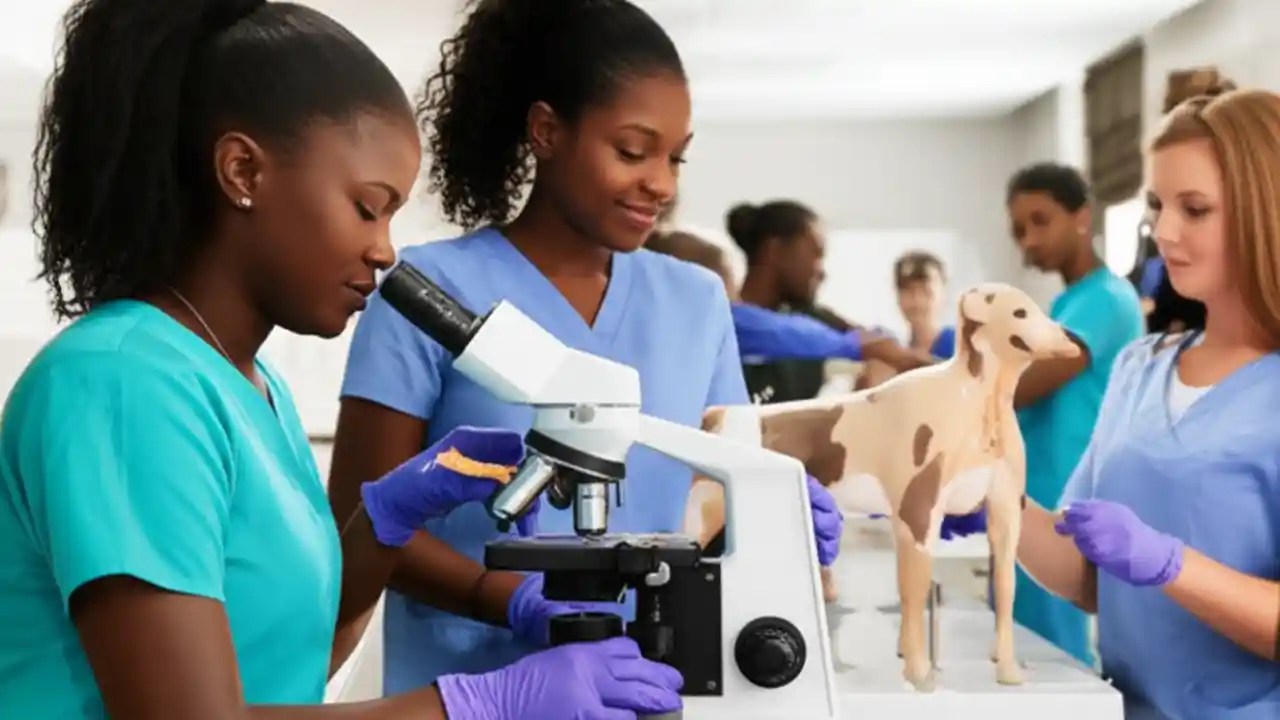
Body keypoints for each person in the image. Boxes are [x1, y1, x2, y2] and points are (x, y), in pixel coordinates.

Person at [0, 1, 684, 718]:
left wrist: (384, 524)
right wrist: (479, 704)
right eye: (368, 207)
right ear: (242, 171)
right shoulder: (125, 383)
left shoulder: (250, 387)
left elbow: (288, 659)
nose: (385, 249)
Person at [328, 0, 843, 696]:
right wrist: (503, 598)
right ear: (546, 131)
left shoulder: (695, 300)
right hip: (462, 693)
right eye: (632, 151)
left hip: (643, 687)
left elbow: (708, 509)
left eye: (675, 157)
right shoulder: (428, 290)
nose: (660, 182)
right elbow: (359, 525)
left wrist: (773, 520)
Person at [1018, 89, 1280, 720]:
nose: (1163, 232)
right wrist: (993, 500)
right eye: (1158, 206)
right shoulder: (1141, 367)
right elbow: (1089, 580)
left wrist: (1169, 564)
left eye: (1195, 209)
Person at [1005, 162, 1146, 666]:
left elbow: (1018, 386)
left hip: (1064, 505)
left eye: (1041, 221)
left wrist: (927, 374)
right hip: (1033, 500)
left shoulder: (1106, 299)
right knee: (1030, 650)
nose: (1028, 240)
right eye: (1020, 229)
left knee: (1060, 662)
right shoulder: (1068, 303)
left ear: (1082, 217)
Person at [729, 200, 936, 403]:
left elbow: (878, 343)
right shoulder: (725, 322)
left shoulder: (813, 319)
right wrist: (867, 348)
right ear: (774, 250)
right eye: (815, 255)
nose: (821, 271)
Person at [893, 251, 956, 359]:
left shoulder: (961, 347)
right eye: (907, 291)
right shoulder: (894, 354)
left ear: (943, 293)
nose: (917, 301)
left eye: (926, 291)